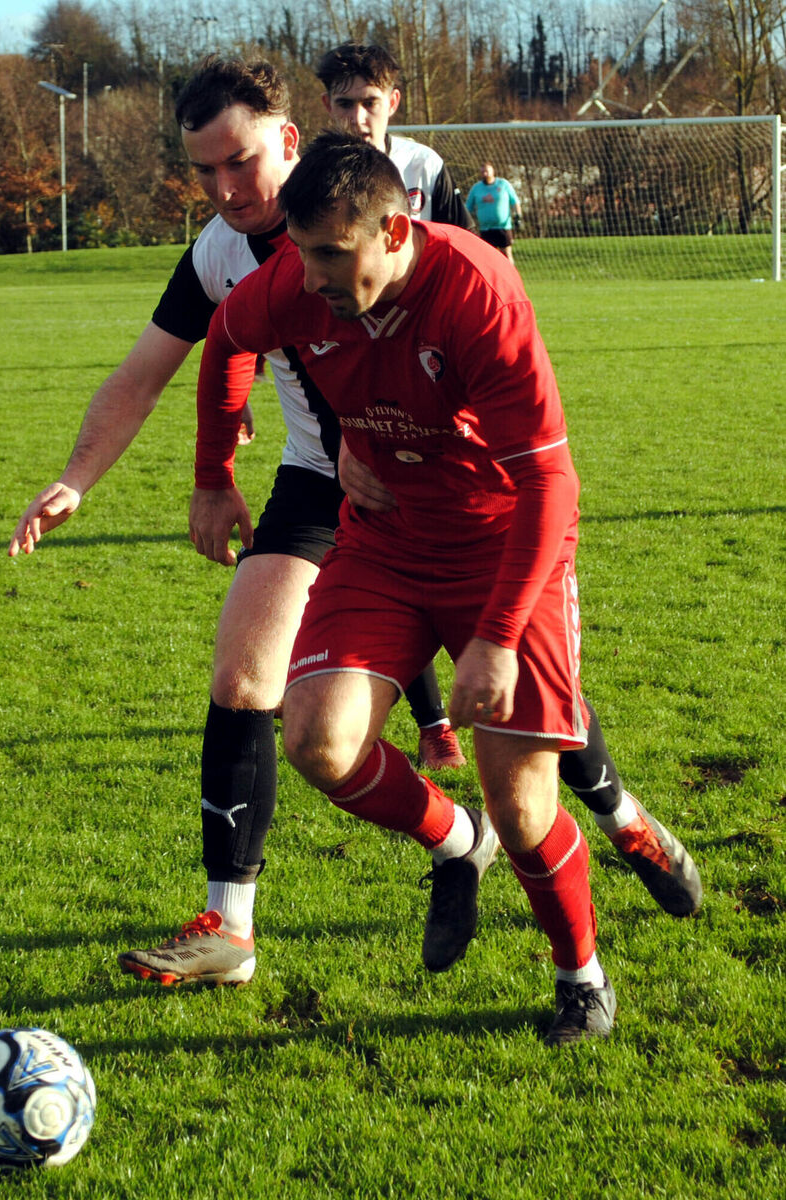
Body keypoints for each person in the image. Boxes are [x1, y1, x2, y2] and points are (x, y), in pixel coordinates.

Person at [190, 131, 700, 1042]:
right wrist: (213, 471)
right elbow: (227, 339)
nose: (308, 277)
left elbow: (552, 481)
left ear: (394, 230)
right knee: (316, 740)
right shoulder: (297, 281)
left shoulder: (476, 292)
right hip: (384, 544)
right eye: (302, 252)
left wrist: (499, 635)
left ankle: (579, 974)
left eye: (331, 254)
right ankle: (460, 844)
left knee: (523, 798)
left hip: (505, 550)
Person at [9, 57, 479, 991]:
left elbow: (470, 338)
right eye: (205, 173)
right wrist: (81, 480)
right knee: (240, 676)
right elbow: (145, 374)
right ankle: (242, 925)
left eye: (241, 163)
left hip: (438, 479)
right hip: (315, 480)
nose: (226, 191)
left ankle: (613, 818)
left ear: (288, 139)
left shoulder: (374, 210)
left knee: (520, 702)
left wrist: (394, 442)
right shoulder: (219, 254)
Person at [316, 41, 471, 230]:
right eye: (345, 104)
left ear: (392, 102)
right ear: (328, 105)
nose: (357, 118)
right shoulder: (313, 176)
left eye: (370, 103)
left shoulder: (423, 165)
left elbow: (463, 245)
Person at [465, 161, 522, 263]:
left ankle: (510, 278)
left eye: (486, 171)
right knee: (489, 258)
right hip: (485, 229)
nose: (485, 174)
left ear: (493, 171)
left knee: (507, 255)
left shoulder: (503, 184)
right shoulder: (476, 188)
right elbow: (468, 207)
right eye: (482, 172)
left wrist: (518, 216)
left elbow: (515, 201)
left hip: (503, 227)